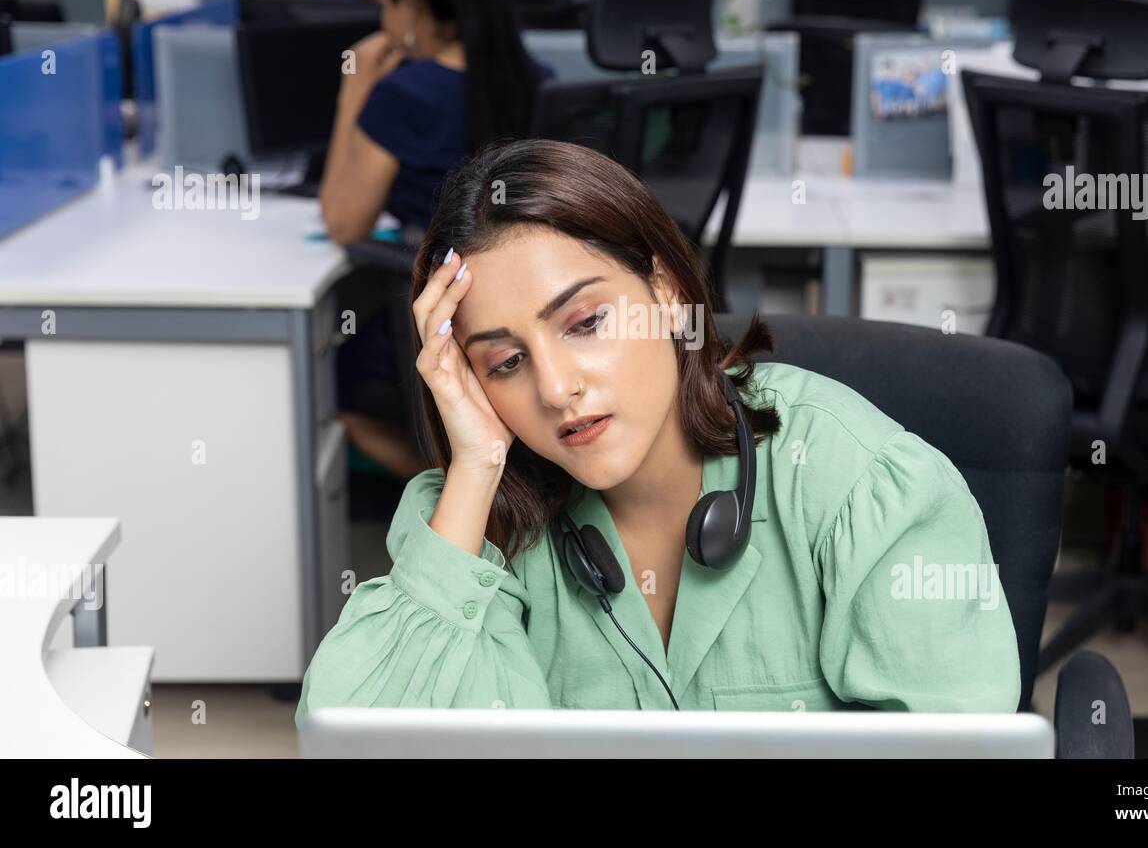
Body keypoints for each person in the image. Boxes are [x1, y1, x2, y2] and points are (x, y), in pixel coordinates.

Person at [296, 138, 1021, 718]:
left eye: (585, 323)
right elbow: (359, 736)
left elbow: (957, 747)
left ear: (666, 293)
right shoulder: (470, 520)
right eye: (506, 361)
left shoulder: (854, 479)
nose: (556, 389)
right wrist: (479, 462)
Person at [320, 0, 553, 478]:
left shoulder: (402, 94)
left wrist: (354, 92)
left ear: (412, 7)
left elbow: (342, 220)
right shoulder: (534, 76)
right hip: (526, 303)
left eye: (386, 3)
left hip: (441, 315)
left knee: (338, 384)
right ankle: (488, 491)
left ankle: (458, 491)